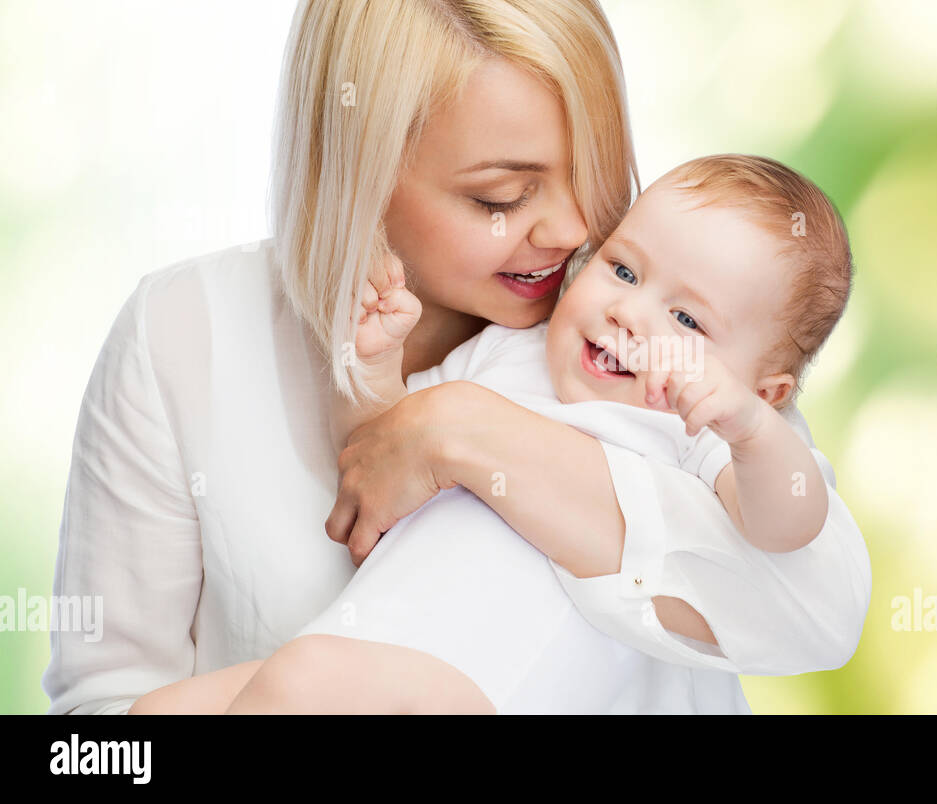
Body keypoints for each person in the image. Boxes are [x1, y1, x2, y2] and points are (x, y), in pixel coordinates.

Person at [45, 0, 870, 716]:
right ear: (357, 168)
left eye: (592, 172)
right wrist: (379, 379)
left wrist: (468, 434)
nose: (574, 231)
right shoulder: (185, 333)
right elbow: (375, 460)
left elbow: (814, 601)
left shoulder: (693, 380)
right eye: (500, 199)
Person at [130, 154, 856, 714]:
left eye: (688, 320)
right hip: (372, 638)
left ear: (768, 391)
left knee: (304, 679)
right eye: (625, 269)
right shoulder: (510, 355)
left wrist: (753, 430)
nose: (632, 314)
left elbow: (786, 527)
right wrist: (374, 367)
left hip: (473, 681)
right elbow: (380, 457)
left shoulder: (696, 435)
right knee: (156, 714)